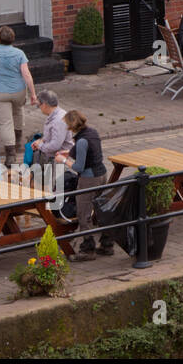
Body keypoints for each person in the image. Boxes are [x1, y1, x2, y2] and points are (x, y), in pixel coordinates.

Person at [54, 110, 115, 260]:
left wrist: (63, 160)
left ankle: (88, 250)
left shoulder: (81, 141)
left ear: (71, 126)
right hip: (102, 174)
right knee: (101, 210)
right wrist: (69, 152)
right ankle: (107, 244)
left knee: (83, 214)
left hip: (89, 179)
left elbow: (79, 167)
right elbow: (89, 152)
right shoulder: (92, 132)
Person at [0, 25, 38, 165]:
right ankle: (18, 139)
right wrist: (33, 94)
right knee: (18, 111)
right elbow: (26, 74)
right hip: (18, 91)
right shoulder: (20, 54)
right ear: (13, 39)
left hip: (0, 92)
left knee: (5, 122)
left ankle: (10, 155)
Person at [29, 90, 73, 166]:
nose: (39, 108)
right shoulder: (55, 114)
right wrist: (41, 140)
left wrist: (40, 146)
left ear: (44, 105)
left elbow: (55, 145)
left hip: (59, 160)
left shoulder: (58, 120)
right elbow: (51, 135)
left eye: (38, 105)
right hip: (55, 157)